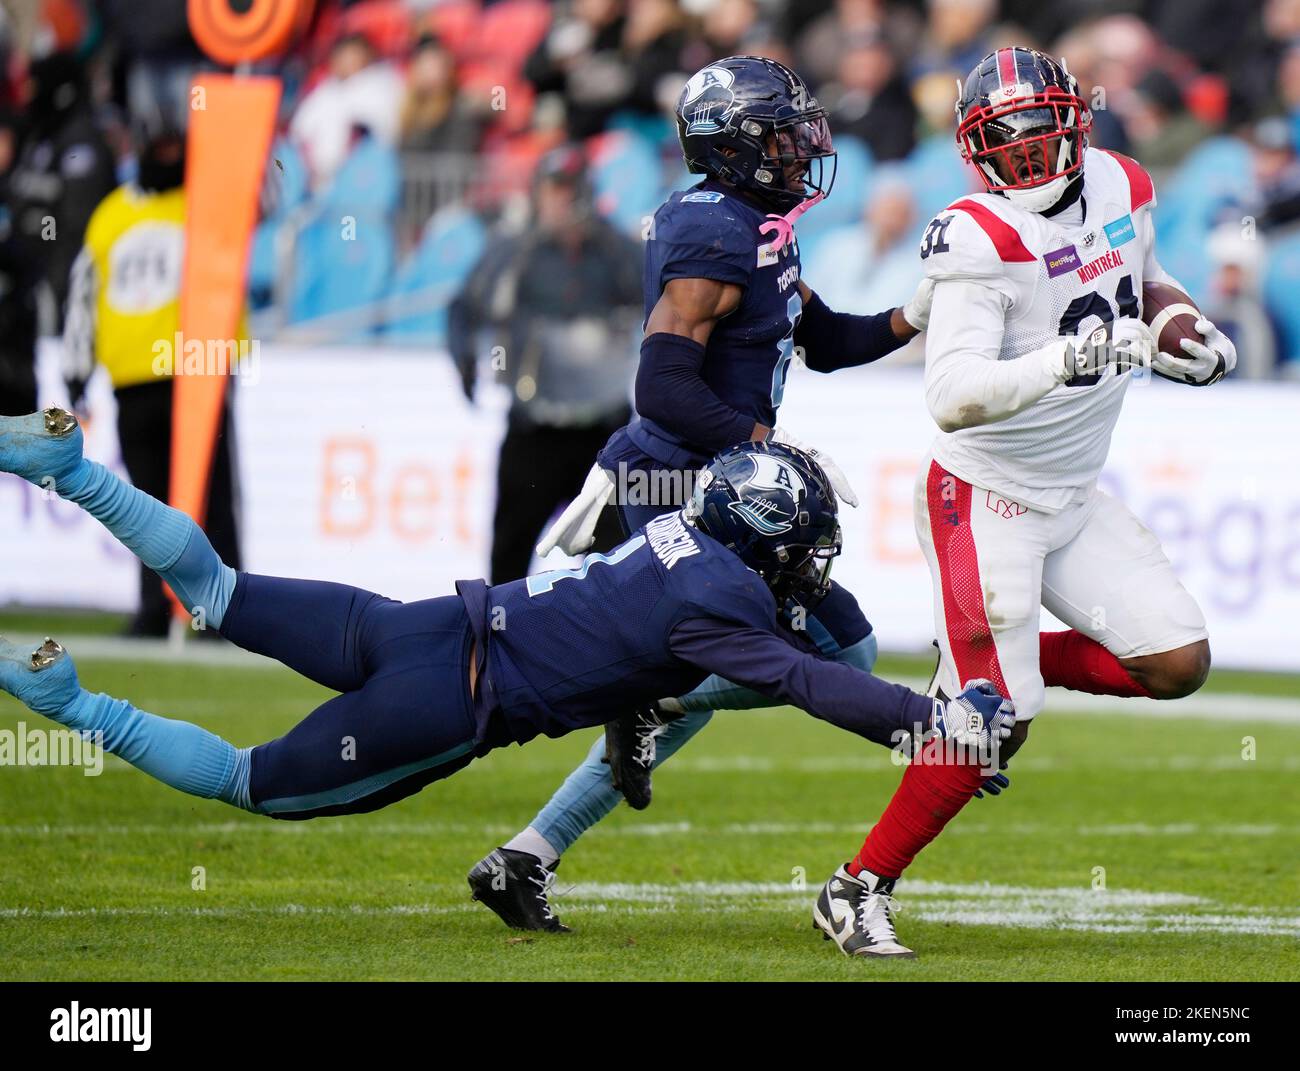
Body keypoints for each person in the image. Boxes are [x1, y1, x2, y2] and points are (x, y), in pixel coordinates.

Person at [0, 411, 1011, 860]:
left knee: (211, 588)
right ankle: (72, 702)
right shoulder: (723, 607)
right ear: (769, 536)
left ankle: (73, 469)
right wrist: (936, 724)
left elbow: (637, 663)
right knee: (247, 782)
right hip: (448, 701)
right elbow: (808, 683)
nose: (812, 558)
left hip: (413, 624)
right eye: (806, 540)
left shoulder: (669, 531)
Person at [466, 55, 935, 933]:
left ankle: (526, 854)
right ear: (733, 148)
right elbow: (665, 389)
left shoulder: (755, 222)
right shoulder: (713, 233)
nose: (803, 148)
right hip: (689, 491)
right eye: (782, 135)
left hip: (719, 486)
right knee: (839, 654)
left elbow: (821, 338)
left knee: (823, 655)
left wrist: (918, 313)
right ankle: (637, 706)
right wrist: (768, 450)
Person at [813, 47, 1235, 959]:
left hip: (1074, 491)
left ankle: (974, 675)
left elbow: (1146, 283)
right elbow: (951, 394)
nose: (1028, 151)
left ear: (1076, 119)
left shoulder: (1124, 181)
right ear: (975, 149)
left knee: (1177, 660)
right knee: (996, 724)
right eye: (1004, 137)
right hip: (985, 493)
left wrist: (1183, 326)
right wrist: (1066, 361)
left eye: (1039, 127)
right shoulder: (977, 235)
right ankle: (857, 887)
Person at [62, 127, 243, 638]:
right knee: (146, 506)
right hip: (136, 380)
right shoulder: (113, 214)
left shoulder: (207, 202)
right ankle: (154, 606)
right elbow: (85, 291)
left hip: (197, 373)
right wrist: (79, 370)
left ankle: (227, 613)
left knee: (211, 500)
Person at [448, 145, 641, 584]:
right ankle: (498, 643)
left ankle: (612, 649)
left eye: (572, 190)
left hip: (604, 439)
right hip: (535, 428)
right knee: (510, 559)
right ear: (538, 194)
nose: (564, 201)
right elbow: (463, 307)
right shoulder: (515, 251)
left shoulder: (616, 251)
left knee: (617, 563)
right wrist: (464, 361)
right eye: (555, 190)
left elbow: (658, 303)